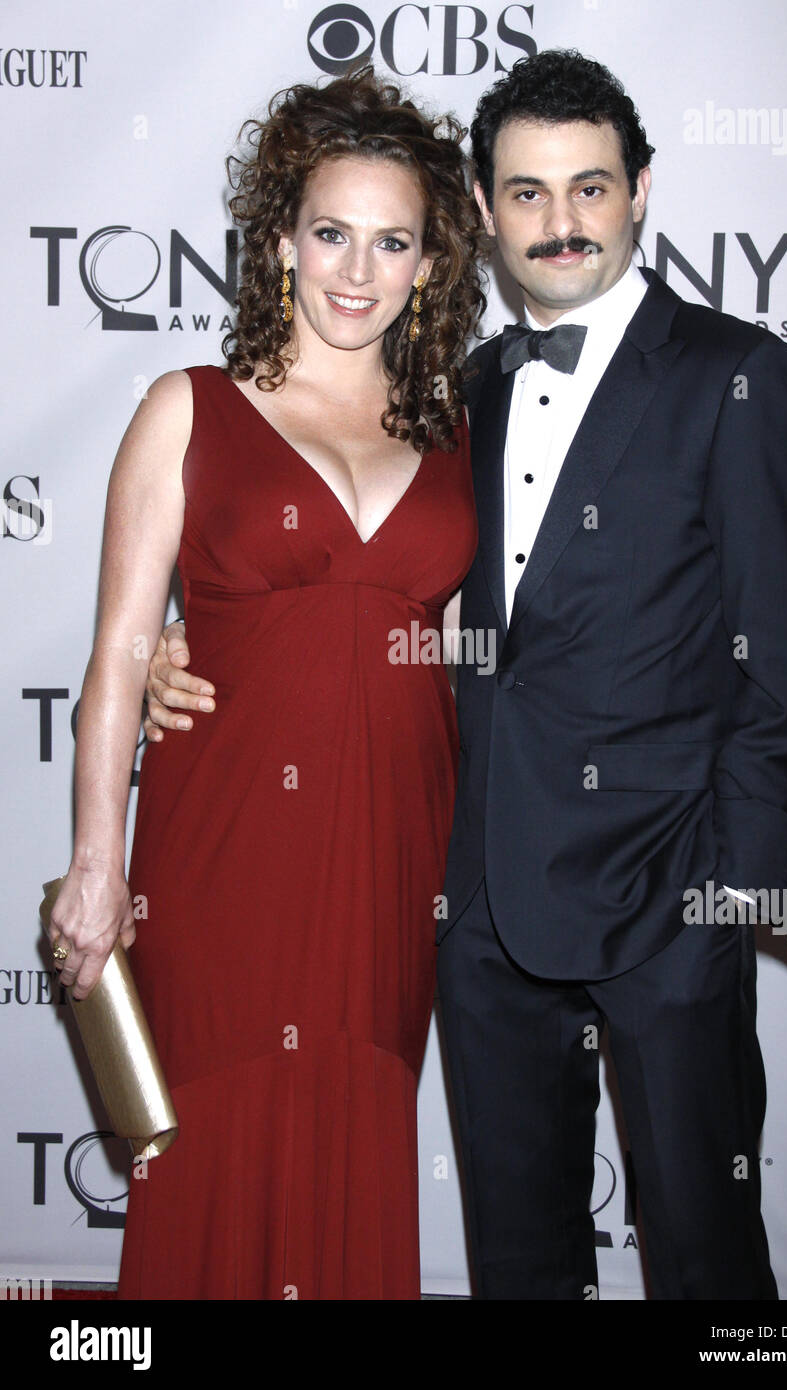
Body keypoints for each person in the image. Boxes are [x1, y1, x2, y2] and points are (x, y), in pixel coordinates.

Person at [146, 50, 787, 1300]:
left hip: (666, 903)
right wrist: (187, 656)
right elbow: (398, 615)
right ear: (478, 207)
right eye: (525, 193)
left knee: (703, 1256)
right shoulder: (453, 400)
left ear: (638, 192)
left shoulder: (731, 376)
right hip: (477, 908)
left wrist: (729, 898)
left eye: (587, 187)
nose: (559, 221)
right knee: (520, 1257)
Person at [47, 66, 484, 1300]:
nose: (357, 270)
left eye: (392, 240)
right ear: (281, 240)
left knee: (353, 1132)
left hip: (392, 864)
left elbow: (463, 661)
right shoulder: (187, 409)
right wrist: (97, 861)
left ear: (429, 263)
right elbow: (122, 656)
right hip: (223, 848)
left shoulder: (454, 436)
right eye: (331, 232)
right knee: (212, 1142)